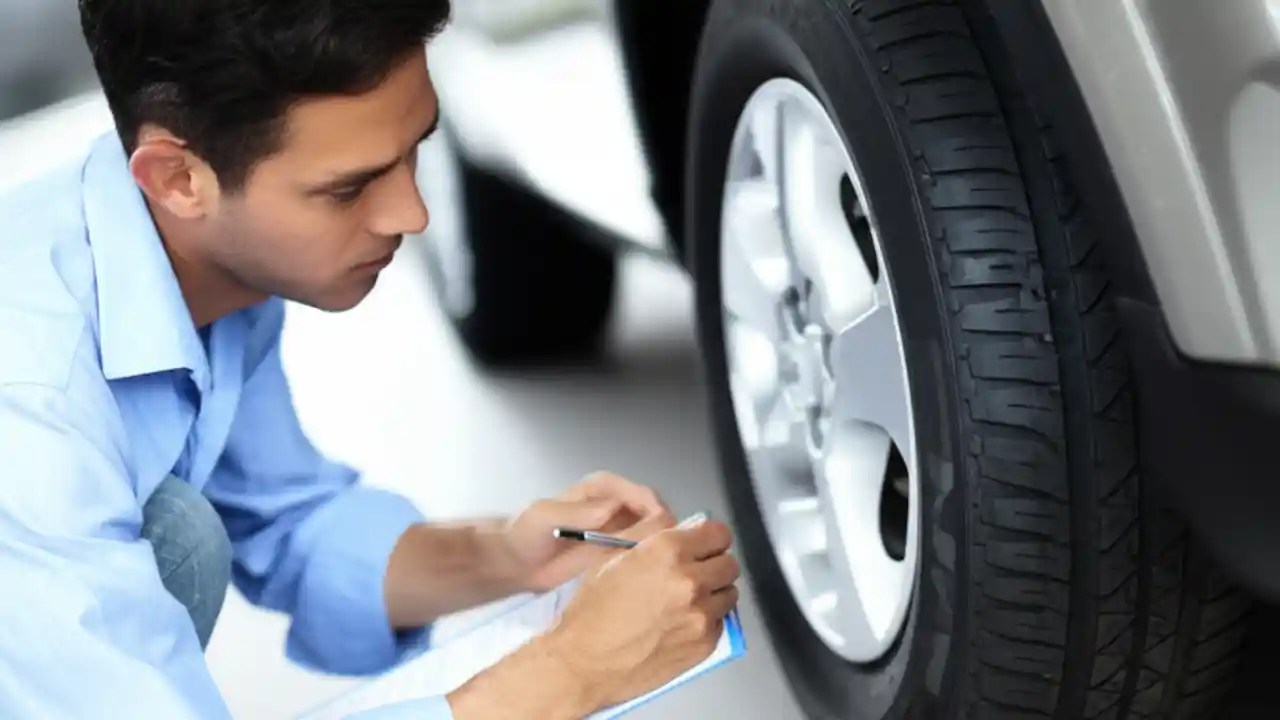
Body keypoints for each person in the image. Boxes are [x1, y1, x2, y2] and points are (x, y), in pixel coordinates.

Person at [0, 1, 742, 718]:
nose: (411, 215)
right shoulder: (32, 405)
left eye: (415, 149)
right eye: (348, 189)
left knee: (180, 532)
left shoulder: (192, 256)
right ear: (176, 179)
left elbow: (290, 523)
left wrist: (511, 556)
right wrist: (578, 669)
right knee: (173, 540)